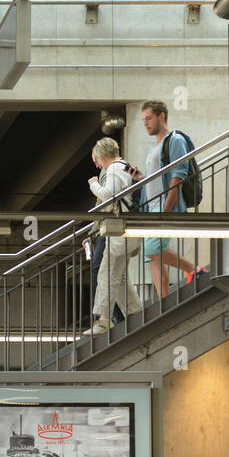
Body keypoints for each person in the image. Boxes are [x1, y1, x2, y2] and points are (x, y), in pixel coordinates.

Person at [138, 100, 206, 298]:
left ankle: (194, 269)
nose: (146, 123)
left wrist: (167, 209)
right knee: (152, 257)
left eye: (149, 118)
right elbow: (158, 178)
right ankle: (163, 301)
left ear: (162, 116)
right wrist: (141, 179)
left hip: (164, 207)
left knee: (151, 250)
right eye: (143, 120)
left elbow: (178, 175)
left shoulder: (175, 140)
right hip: (152, 208)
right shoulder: (154, 145)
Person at [84, 137, 143, 335]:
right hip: (126, 231)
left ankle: (103, 320)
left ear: (102, 154)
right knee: (119, 277)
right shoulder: (124, 167)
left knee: (106, 274)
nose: (96, 165)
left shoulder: (114, 169)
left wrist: (93, 184)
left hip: (118, 231)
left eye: (96, 160)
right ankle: (135, 313)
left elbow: (109, 196)